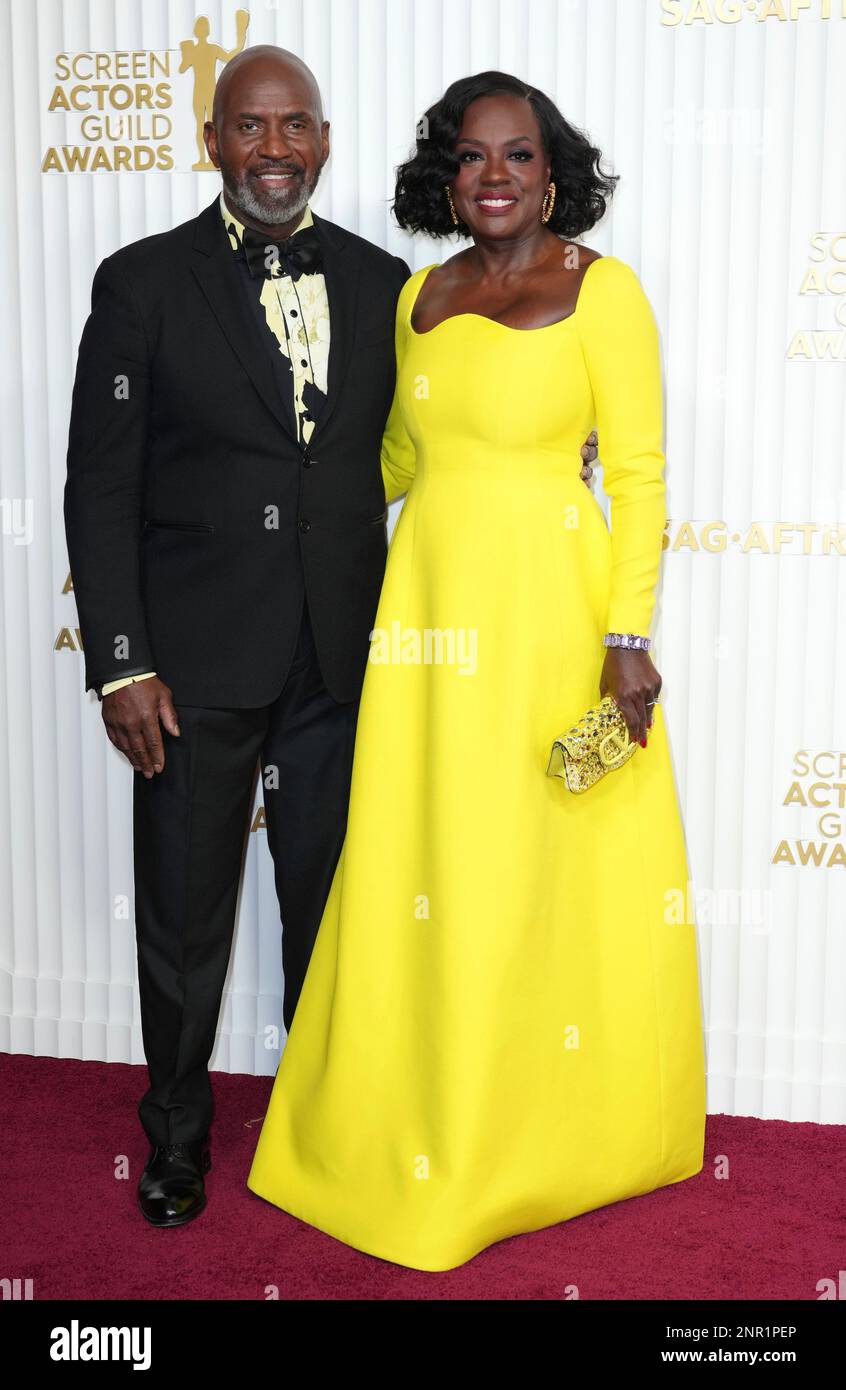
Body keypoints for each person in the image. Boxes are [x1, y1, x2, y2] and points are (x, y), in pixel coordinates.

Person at [63, 43, 604, 1229]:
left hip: (348, 667)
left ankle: (328, 1129)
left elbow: (422, 436)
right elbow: (97, 488)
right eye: (249, 127)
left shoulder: (385, 289)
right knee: (185, 915)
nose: (274, 149)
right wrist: (122, 660)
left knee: (339, 915)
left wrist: (544, 443)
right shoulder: (140, 283)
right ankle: (177, 1139)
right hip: (191, 669)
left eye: (295, 125)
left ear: (324, 142)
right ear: (213, 142)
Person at [246, 71, 707, 1271]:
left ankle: (547, 1132)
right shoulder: (416, 299)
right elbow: (393, 457)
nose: (493, 176)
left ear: (554, 171)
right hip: (427, 621)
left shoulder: (607, 294)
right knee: (431, 858)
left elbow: (643, 474)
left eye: (516, 154)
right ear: (444, 177)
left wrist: (627, 640)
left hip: (554, 619)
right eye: (470, 156)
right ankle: (417, 1116)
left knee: (533, 866)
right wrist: (269, 505)